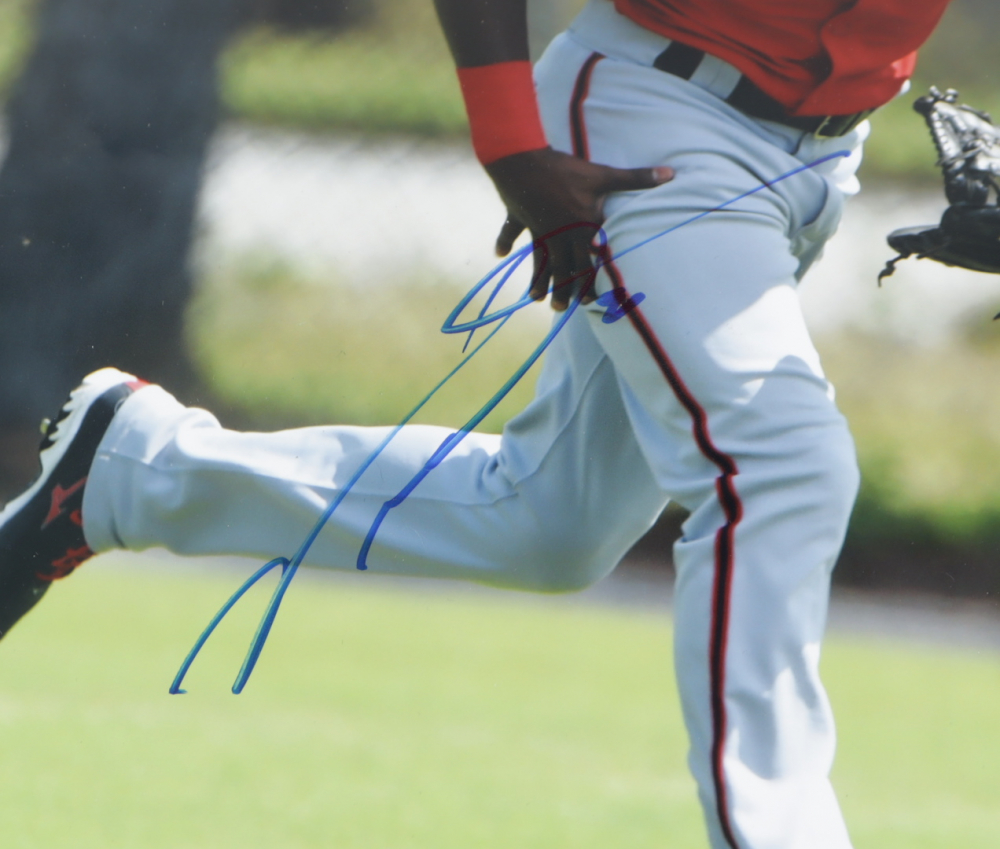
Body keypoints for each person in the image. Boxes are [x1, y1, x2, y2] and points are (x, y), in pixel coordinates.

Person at [0, 1, 953, 847]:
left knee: (551, 522)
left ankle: (133, 470)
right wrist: (508, 134)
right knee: (781, 465)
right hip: (654, 126)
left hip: (817, 158)